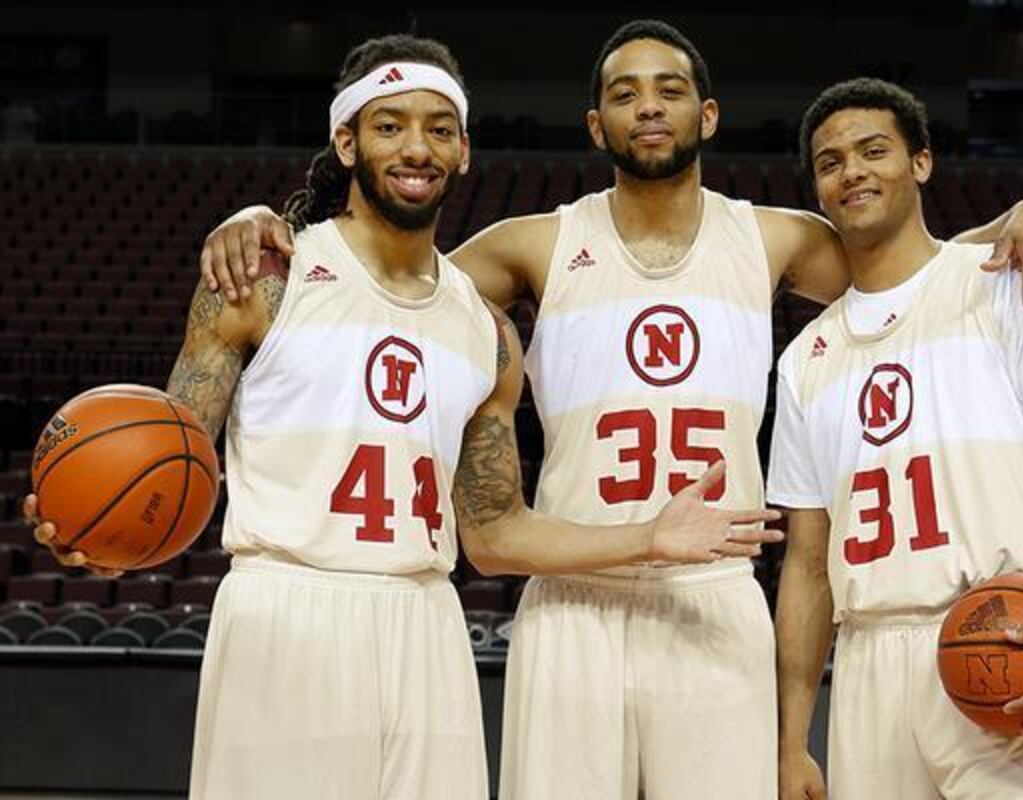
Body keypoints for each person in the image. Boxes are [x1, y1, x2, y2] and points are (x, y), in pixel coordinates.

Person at [194, 20, 1023, 800]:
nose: (648, 107)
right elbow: (381, 279)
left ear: (708, 114)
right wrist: (261, 218)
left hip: (712, 596)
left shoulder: (772, 238)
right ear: (596, 125)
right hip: (574, 600)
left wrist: (1015, 219)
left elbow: (905, 276)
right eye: (624, 93)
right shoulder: (534, 246)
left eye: (670, 90)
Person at [24, 33, 783, 800]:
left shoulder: (485, 333)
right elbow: (172, 451)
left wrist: (646, 537)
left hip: (427, 620)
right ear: (346, 142)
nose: (416, 148)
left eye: (438, 130)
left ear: (463, 154)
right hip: (287, 608)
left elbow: (493, 535)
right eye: (389, 127)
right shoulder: (261, 282)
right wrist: (103, 534)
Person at [767, 77, 1023, 800]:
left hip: (1004, 634)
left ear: (922, 163)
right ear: (818, 187)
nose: (853, 171)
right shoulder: (804, 357)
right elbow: (807, 564)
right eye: (831, 162)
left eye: (875, 150)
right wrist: (790, 737)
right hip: (868, 659)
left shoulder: (1006, 283)